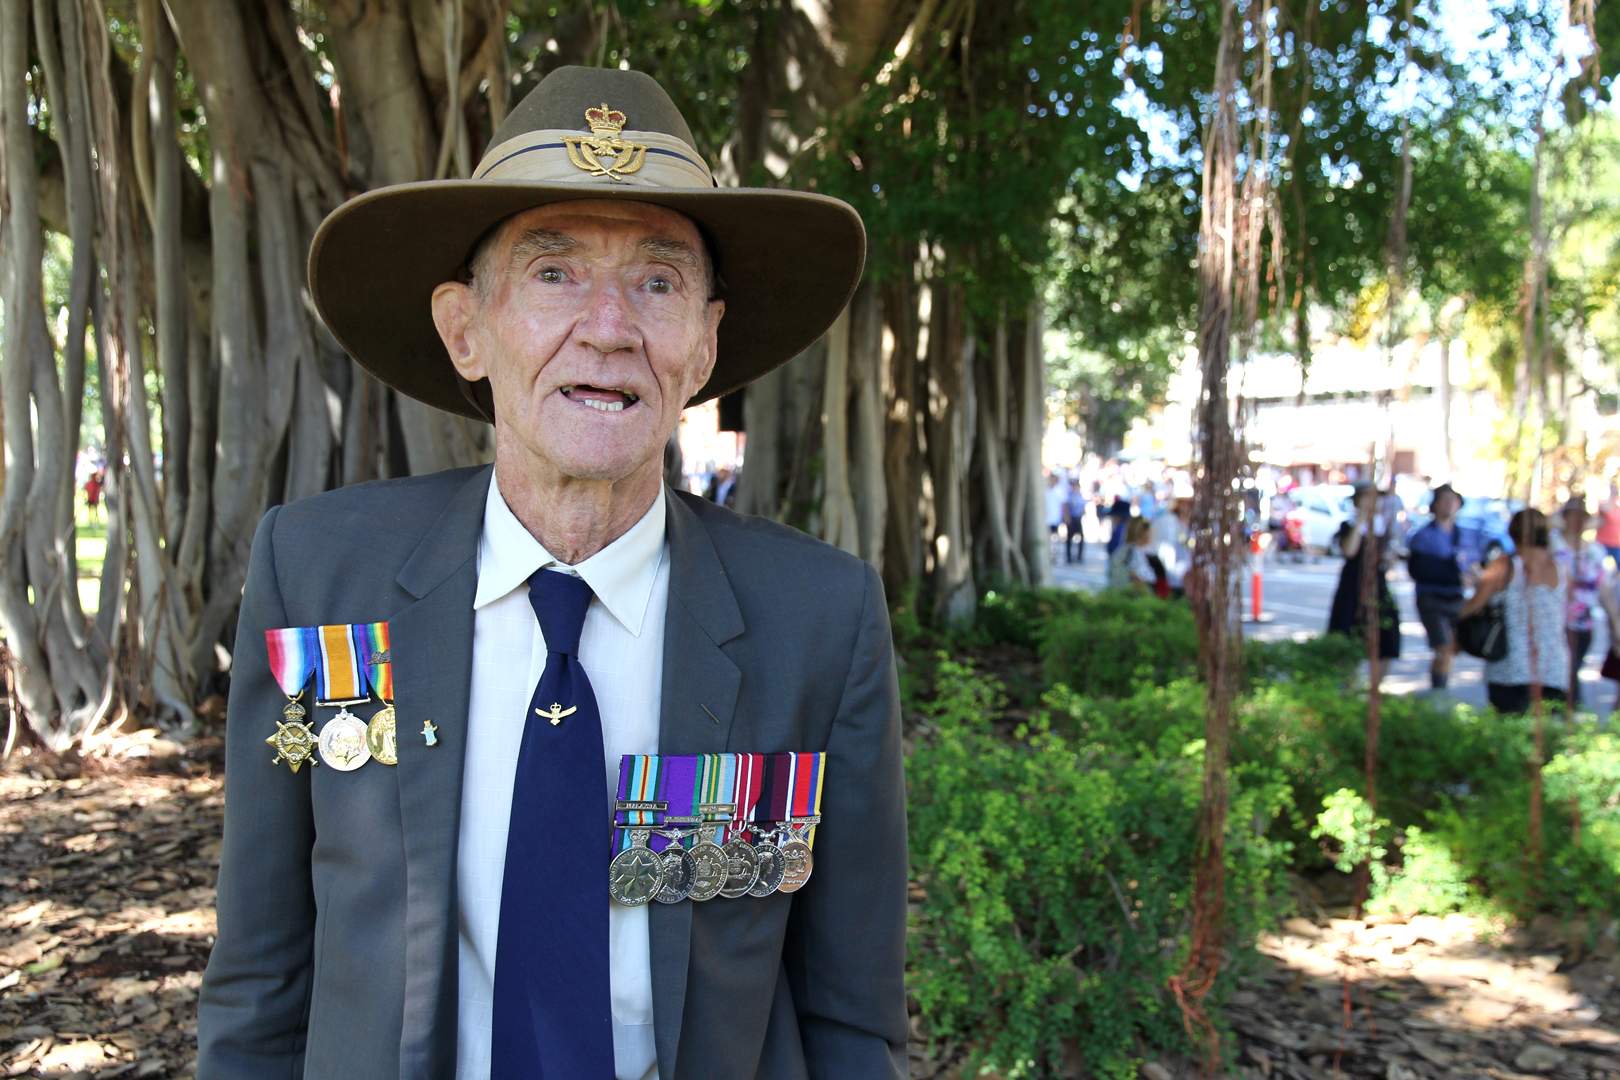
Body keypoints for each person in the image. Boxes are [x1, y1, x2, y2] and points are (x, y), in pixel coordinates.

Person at [197, 67, 907, 1080]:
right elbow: (260, 978)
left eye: (657, 282)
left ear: (704, 343)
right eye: (555, 273)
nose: (610, 326)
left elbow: (849, 1014)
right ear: (466, 330)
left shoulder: (817, 621)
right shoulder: (322, 579)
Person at [1459, 508, 1570, 716]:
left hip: (1510, 669)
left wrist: (1454, 622)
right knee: (1547, 737)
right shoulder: (1560, 569)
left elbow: (1474, 605)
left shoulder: (1504, 565)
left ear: (1513, 531)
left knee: (1510, 733)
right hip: (1553, 668)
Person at [1327, 483, 1400, 662]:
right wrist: (1361, 521)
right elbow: (1349, 551)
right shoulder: (1350, 525)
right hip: (1352, 584)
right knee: (1346, 631)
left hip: (1378, 584)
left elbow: (1391, 559)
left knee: (1387, 635)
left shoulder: (1383, 526)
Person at [1406, 483, 1467, 689]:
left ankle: (1440, 686)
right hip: (1432, 598)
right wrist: (1455, 575)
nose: (1449, 505)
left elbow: (1473, 565)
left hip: (1456, 598)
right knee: (1444, 647)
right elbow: (1420, 570)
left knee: (1451, 648)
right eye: (1444, 500)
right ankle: (1439, 692)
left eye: (1453, 500)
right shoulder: (1423, 536)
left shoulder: (1463, 534)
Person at [1554, 496, 1607, 707]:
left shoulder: (1595, 551)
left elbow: (1604, 588)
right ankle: (1567, 706)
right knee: (1563, 666)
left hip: (1584, 620)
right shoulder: (1553, 545)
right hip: (1557, 619)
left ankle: (1571, 708)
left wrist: (1614, 620)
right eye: (1572, 516)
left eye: (1580, 517)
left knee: (1574, 665)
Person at [1148, 486, 1193, 598]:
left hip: (1186, 576)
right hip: (1172, 577)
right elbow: (1166, 551)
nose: (1187, 507)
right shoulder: (1168, 522)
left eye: (1190, 503)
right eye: (1184, 503)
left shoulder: (1191, 524)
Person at [1106, 516, 1159, 593]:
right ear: (1144, 532)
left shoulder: (1148, 551)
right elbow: (1132, 576)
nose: (1152, 534)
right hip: (1133, 596)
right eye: (1150, 531)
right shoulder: (1130, 551)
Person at [1063, 478, 1088, 564]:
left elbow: (1083, 508)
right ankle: (1069, 557)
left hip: (1078, 518)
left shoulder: (1080, 496)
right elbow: (1065, 507)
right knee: (1069, 538)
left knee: (1081, 537)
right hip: (1071, 518)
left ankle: (1079, 556)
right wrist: (1067, 518)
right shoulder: (1069, 496)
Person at [1597, 483, 1620, 570]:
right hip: (1603, 543)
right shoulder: (1604, 506)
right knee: (1600, 566)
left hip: (1616, 544)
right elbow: (1604, 510)